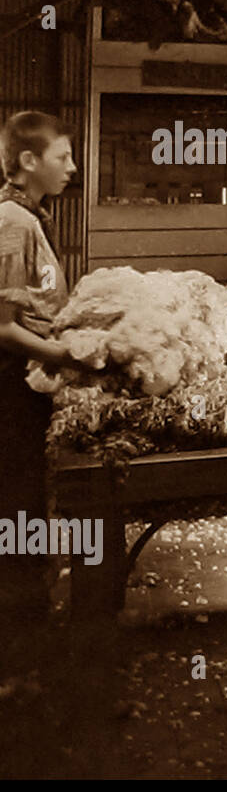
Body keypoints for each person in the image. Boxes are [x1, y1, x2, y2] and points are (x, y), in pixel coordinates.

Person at [0, 112, 82, 630]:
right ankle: (23, 637)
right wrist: (71, 355)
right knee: (17, 502)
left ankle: (30, 614)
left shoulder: (31, 217)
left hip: (29, 384)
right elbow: (2, 327)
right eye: (62, 157)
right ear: (29, 162)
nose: (72, 167)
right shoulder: (13, 222)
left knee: (29, 501)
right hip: (10, 390)